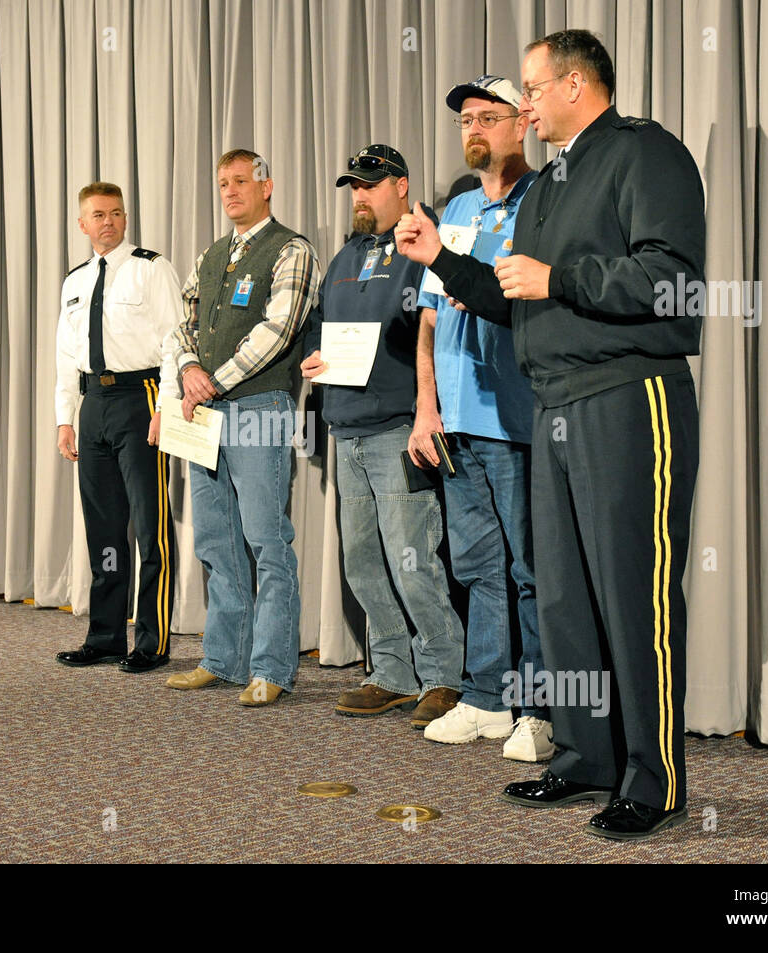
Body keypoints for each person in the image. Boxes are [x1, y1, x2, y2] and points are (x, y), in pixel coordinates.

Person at [395, 31, 704, 840]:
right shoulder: (547, 187)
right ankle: (585, 754)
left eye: (531, 87)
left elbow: (676, 283)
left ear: (575, 84)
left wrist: (558, 278)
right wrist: (443, 262)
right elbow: (513, 300)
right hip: (553, 404)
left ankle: (655, 777)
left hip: (630, 395)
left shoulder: (646, 155)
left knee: (634, 593)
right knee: (566, 597)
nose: (523, 104)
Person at [409, 76, 553, 761]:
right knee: (476, 565)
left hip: (518, 415)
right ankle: (488, 696)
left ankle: (540, 708)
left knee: (532, 569)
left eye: (487, 117)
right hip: (458, 419)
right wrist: (426, 406)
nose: (474, 129)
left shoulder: (546, 200)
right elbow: (431, 316)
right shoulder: (457, 205)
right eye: (466, 118)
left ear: (520, 123)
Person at [299, 144, 465, 730]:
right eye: (354, 185)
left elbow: (435, 329)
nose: (360, 195)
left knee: (413, 558)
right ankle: (392, 672)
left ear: (403, 185)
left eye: (371, 183)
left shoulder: (423, 246)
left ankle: (443, 674)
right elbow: (321, 329)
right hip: (346, 427)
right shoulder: (346, 255)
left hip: (399, 426)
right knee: (362, 561)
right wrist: (315, 358)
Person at [165, 149, 321, 707]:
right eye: (223, 183)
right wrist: (187, 371)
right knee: (216, 539)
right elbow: (181, 323)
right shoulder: (211, 256)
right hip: (202, 412)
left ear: (266, 186)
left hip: (257, 408)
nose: (230, 192)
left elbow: (278, 331)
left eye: (240, 182)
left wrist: (214, 380)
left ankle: (272, 667)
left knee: (265, 538)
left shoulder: (292, 250)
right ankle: (224, 660)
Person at [54, 182, 179, 674]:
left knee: (150, 527)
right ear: (82, 224)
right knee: (103, 527)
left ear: (126, 219)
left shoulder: (151, 268)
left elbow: (174, 340)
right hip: (95, 402)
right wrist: (65, 418)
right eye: (98, 215)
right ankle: (105, 635)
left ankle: (151, 640)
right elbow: (65, 355)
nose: (108, 222)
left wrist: (166, 404)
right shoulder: (75, 281)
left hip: (141, 398)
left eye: (116, 214)